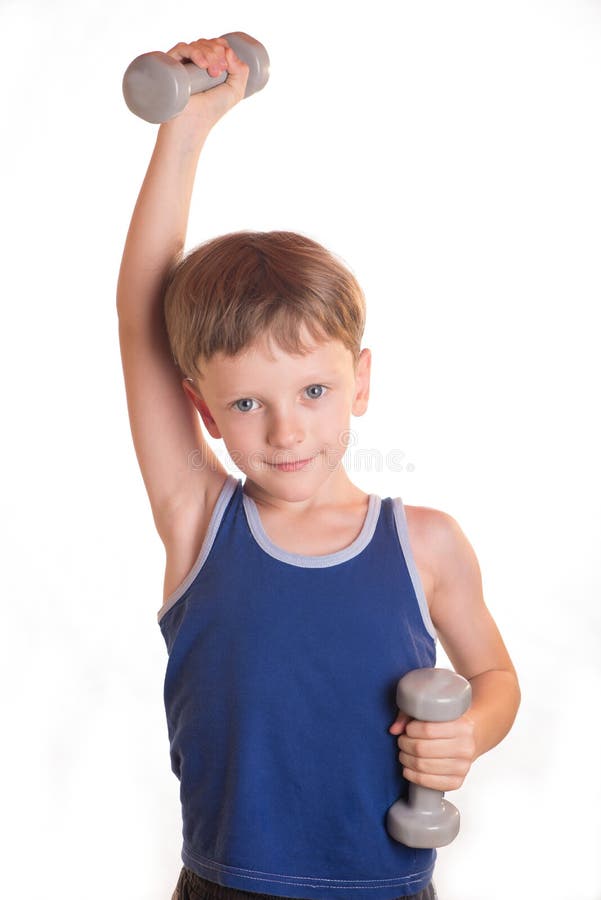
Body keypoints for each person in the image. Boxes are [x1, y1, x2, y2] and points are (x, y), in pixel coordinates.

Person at [116, 36, 521, 900]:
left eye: (312, 390)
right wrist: (184, 131)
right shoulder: (200, 520)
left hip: (384, 887)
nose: (286, 430)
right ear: (201, 410)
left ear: (360, 381)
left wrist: (472, 732)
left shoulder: (426, 544)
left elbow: (495, 679)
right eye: (247, 404)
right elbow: (140, 323)